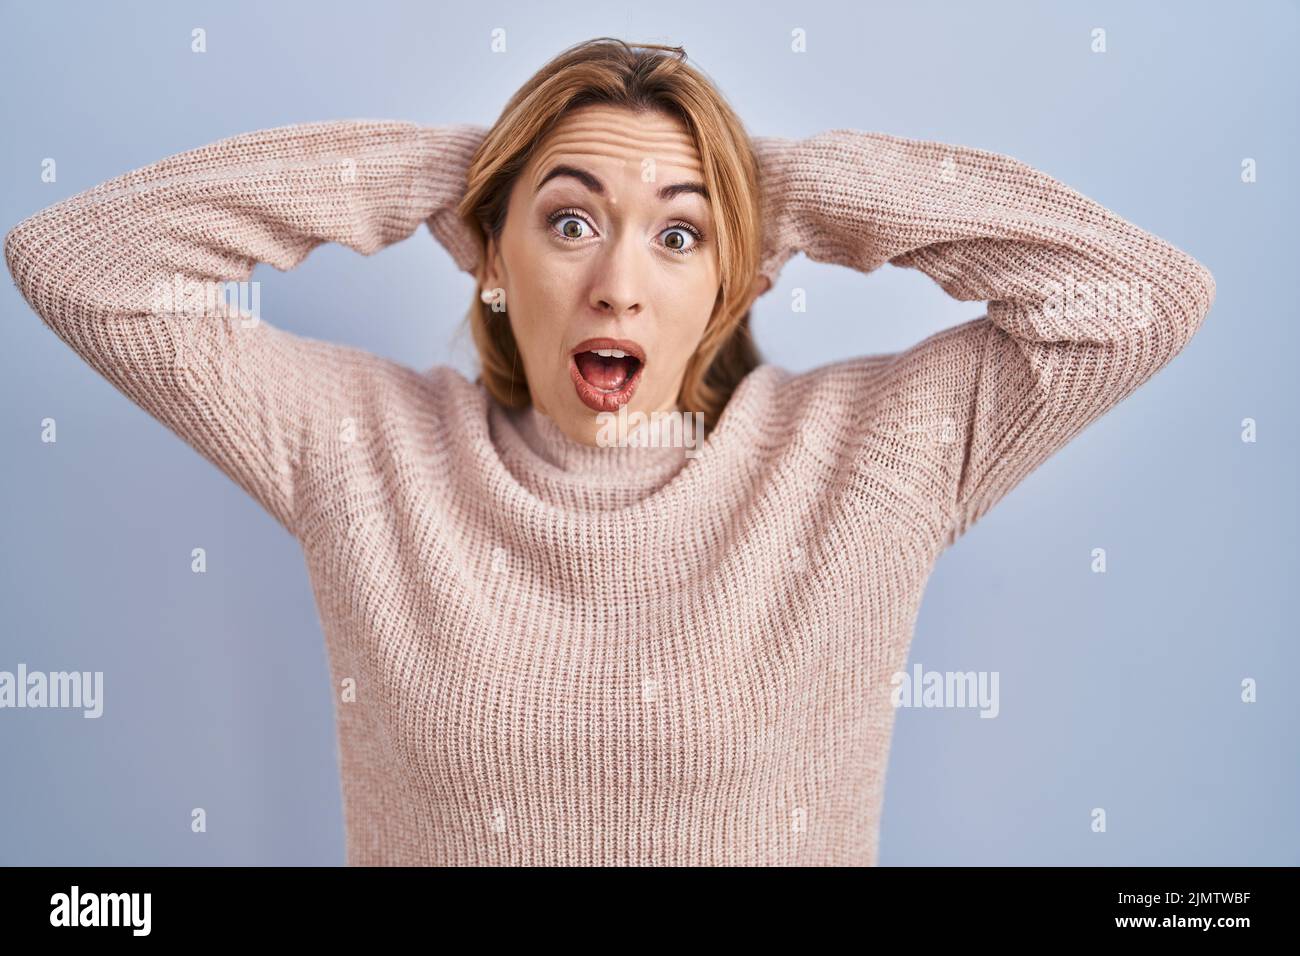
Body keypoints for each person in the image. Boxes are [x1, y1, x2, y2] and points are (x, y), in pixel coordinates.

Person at [4, 37, 1215, 866]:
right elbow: (80, 265)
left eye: (679, 238)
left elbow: (1139, 299)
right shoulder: (362, 451)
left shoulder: (863, 459)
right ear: (490, 257)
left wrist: (794, 191)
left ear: (735, 278)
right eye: (569, 221)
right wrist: (453, 176)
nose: (619, 285)